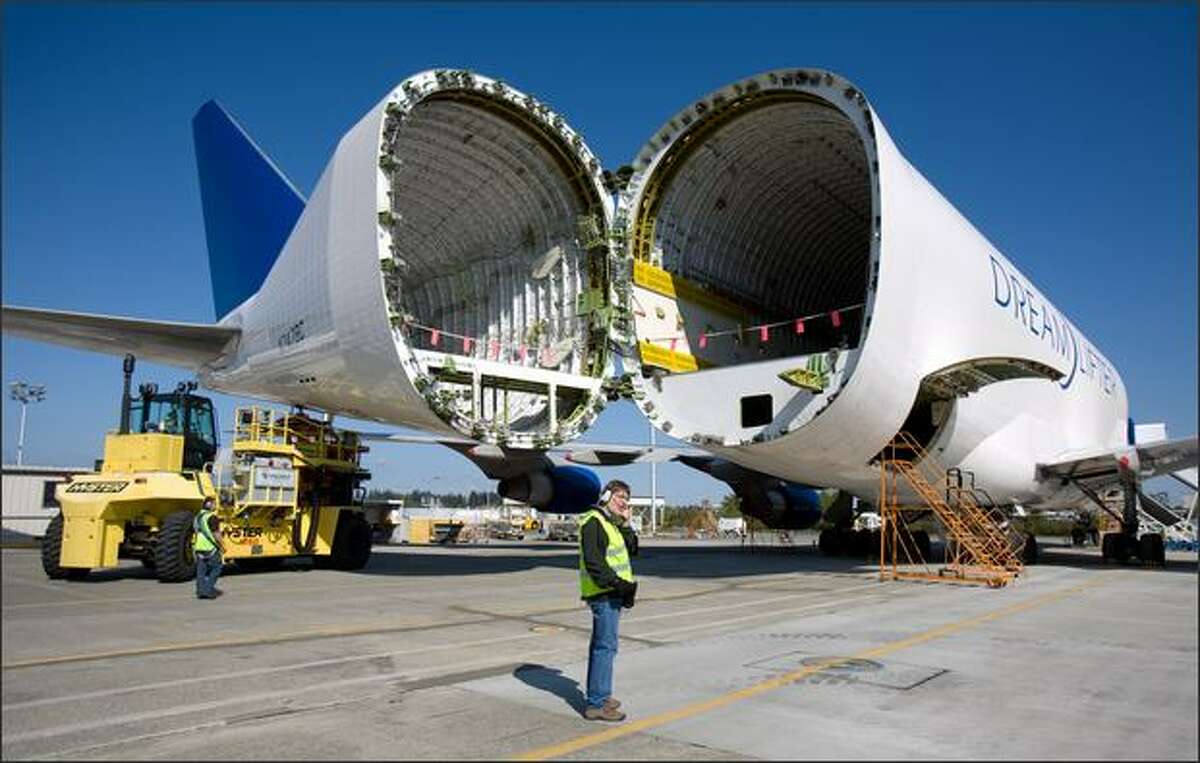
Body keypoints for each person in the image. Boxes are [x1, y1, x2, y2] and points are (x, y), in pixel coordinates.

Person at [578, 479, 638, 722]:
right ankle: (597, 703)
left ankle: (600, 695)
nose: (624, 502)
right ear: (605, 497)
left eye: (627, 498)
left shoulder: (612, 523)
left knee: (603, 646)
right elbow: (594, 563)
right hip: (603, 594)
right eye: (619, 496)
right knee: (605, 647)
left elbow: (632, 548)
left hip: (612, 594)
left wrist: (626, 522)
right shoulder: (593, 522)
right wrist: (618, 584)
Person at [193, 498, 226, 600]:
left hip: (199, 547)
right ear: (209, 505)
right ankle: (208, 590)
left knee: (201, 571)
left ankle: (200, 591)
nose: (215, 506)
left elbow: (196, 531)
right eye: (214, 504)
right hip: (210, 548)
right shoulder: (212, 517)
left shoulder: (197, 517)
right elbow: (216, 533)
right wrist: (223, 545)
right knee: (217, 568)